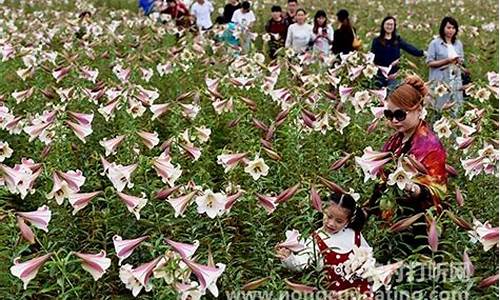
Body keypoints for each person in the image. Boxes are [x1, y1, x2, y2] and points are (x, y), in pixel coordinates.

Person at [367, 75, 448, 251]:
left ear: (418, 110)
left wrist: (417, 190)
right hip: (393, 221)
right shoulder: (396, 140)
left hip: (418, 230)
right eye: (389, 114)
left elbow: (439, 190)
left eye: (400, 114)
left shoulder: (430, 145)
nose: (394, 120)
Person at [276, 192, 374, 298]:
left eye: (339, 221)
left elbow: (369, 257)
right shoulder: (316, 239)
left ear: (348, 221)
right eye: (329, 216)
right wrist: (288, 258)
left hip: (364, 293)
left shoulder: (354, 234)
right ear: (322, 210)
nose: (331, 223)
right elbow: (301, 264)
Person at [371, 16, 425, 89]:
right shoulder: (377, 41)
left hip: (394, 76)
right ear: (383, 25)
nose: (389, 26)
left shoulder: (397, 40)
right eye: (387, 24)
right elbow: (372, 57)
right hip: (380, 75)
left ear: (394, 27)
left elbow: (409, 48)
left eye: (391, 25)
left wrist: (422, 53)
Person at [426, 16, 465, 114]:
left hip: (455, 80)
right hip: (440, 81)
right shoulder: (435, 43)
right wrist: (447, 61)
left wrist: (459, 62)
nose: (451, 30)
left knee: (456, 107)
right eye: (448, 27)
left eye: (453, 28)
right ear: (443, 28)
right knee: (440, 108)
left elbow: (461, 60)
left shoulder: (458, 44)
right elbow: (429, 63)